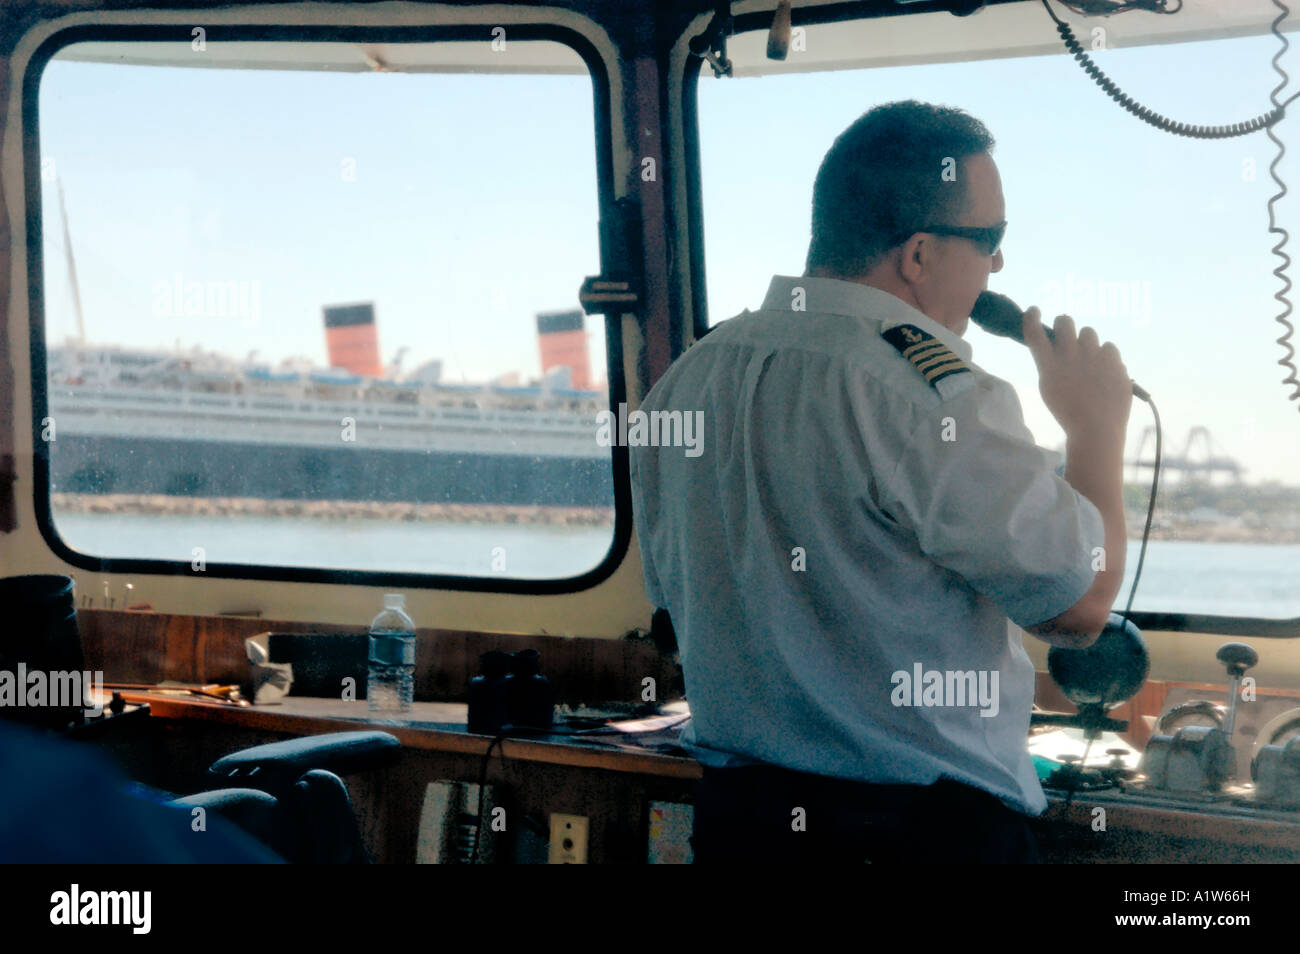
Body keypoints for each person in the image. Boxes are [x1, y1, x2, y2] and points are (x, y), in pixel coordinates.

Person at [629, 99, 1133, 863]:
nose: (998, 266)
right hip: (916, 841)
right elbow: (1080, 606)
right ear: (920, 255)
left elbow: (670, 611)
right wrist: (1095, 431)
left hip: (743, 828)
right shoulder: (931, 392)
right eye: (990, 241)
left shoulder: (686, 380)